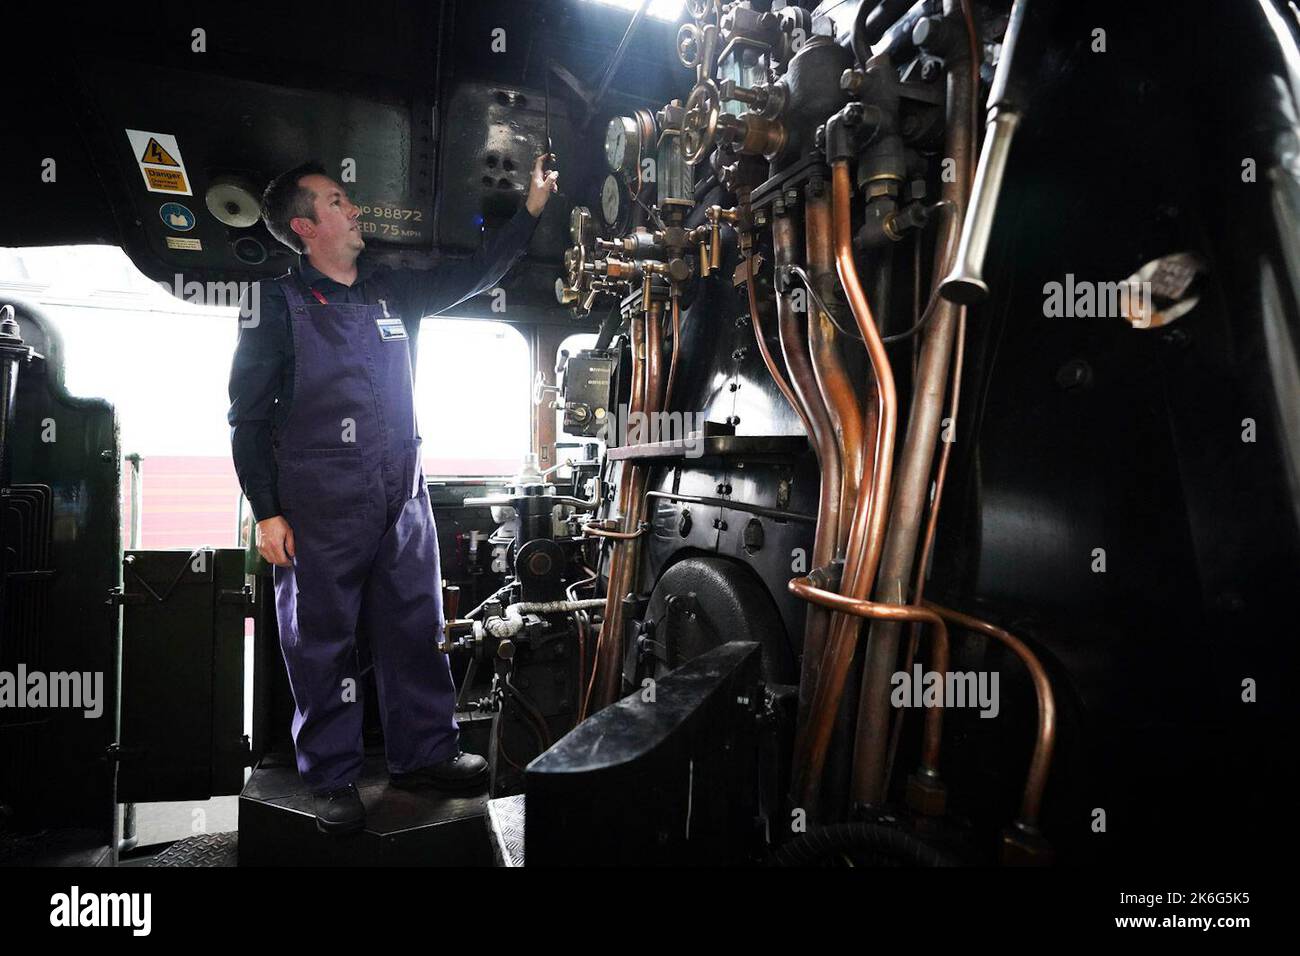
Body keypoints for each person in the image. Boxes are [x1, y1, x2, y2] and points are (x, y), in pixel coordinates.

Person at [227, 154, 558, 834]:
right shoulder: (276, 306)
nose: (354, 210)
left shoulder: (389, 291)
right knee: (319, 644)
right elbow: (248, 420)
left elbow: (475, 274)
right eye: (338, 201)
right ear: (305, 225)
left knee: (416, 630)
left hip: (402, 502)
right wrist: (268, 512)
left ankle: (426, 754)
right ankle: (331, 776)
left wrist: (528, 212)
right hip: (318, 510)